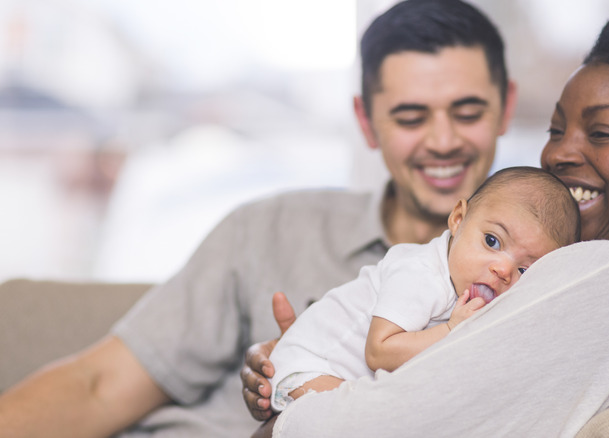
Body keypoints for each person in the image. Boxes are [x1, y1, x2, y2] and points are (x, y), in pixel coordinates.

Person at [242, 14, 609, 437]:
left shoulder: (607, 278)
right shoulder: (528, 276)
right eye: (555, 130)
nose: (559, 153)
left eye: (602, 133)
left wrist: (301, 398)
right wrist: (313, 358)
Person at [0, 1, 516, 437]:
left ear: (506, 107)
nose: (443, 141)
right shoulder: (269, 230)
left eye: (468, 112)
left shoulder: (532, 281)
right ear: (365, 121)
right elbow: (98, 386)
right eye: (410, 117)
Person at [267, 166, 580, 412]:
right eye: (492, 241)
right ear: (458, 219)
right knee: (372, 420)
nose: (503, 270)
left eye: (525, 270)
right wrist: (452, 331)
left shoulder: (472, 294)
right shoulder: (420, 274)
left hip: (347, 379)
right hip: (307, 366)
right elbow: (379, 351)